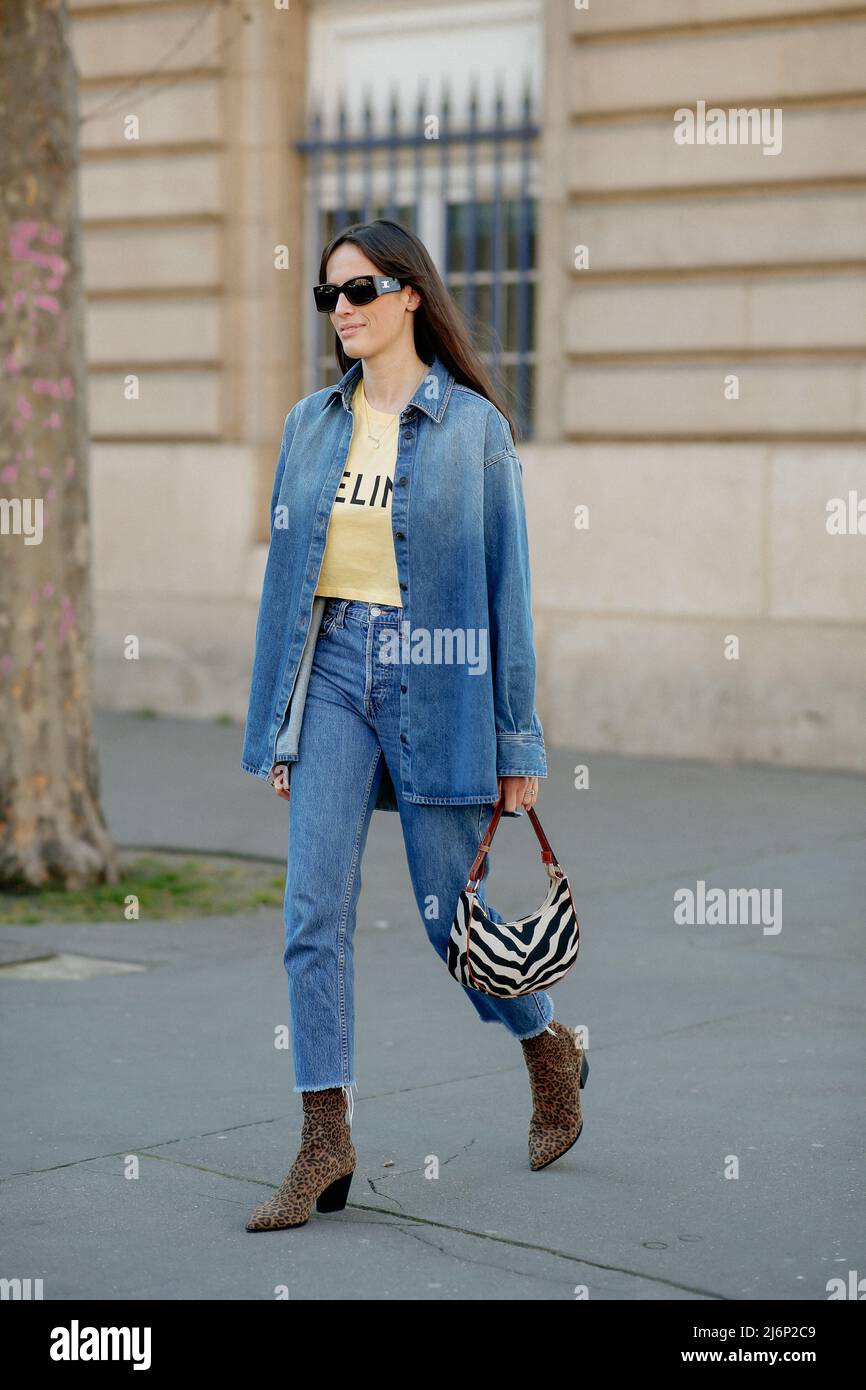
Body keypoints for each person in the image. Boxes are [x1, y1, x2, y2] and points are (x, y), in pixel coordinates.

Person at [241, 219, 587, 1232]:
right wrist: (283, 721)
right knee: (312, 914)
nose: (340, 310)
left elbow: (506, 591)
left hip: (438, 682)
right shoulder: (310, 425)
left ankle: (545, 1045)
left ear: (406, 295)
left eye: (356, 291)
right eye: (327, 296)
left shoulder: (473, 428)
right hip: (337, 675)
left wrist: (517, 745)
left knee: (454, 927)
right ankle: (322, 1140)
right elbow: (284, 590)